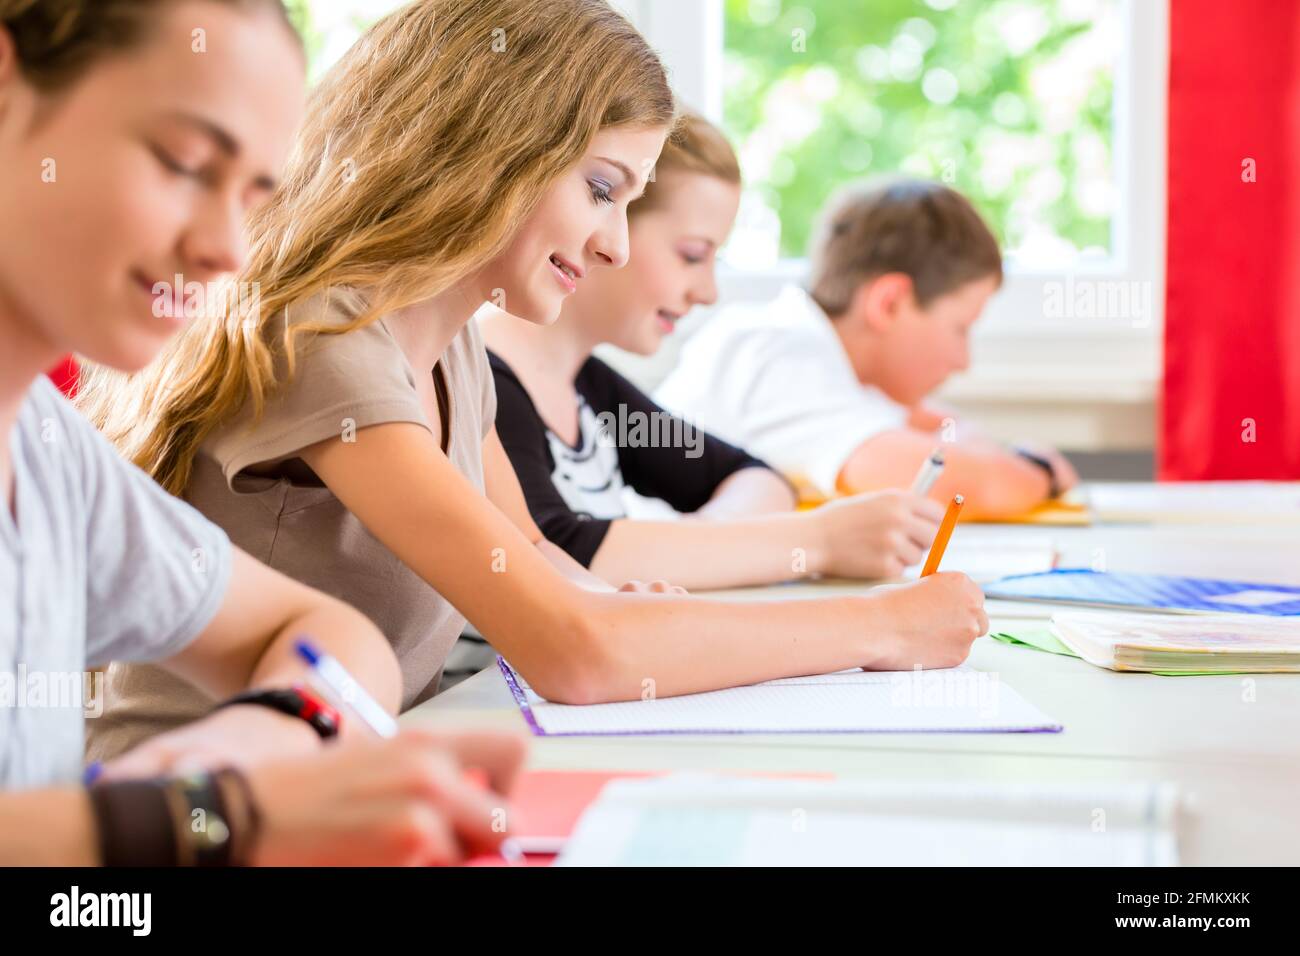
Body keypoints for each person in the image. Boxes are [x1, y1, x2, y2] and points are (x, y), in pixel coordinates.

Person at [0, 0, 522, 866]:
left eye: (253, 195)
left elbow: (326, 635)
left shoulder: (48, 454)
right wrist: (206, 818)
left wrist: (245, 752)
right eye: (184, 162)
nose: (226, 250)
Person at [483, 113, 945, 590]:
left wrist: (705, 550)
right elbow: (559, 556)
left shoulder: (590, 389)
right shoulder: (487, 385)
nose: (707, 292)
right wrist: (819, 539)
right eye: (691, 256)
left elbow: (754, 476)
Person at [657, 179, 1080, 520]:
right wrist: (1039, 472)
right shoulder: (779, 350)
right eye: (960, 329)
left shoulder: (834, 370)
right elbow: (960, 483)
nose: (963, 361)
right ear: (889, 303)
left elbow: (949, 433)